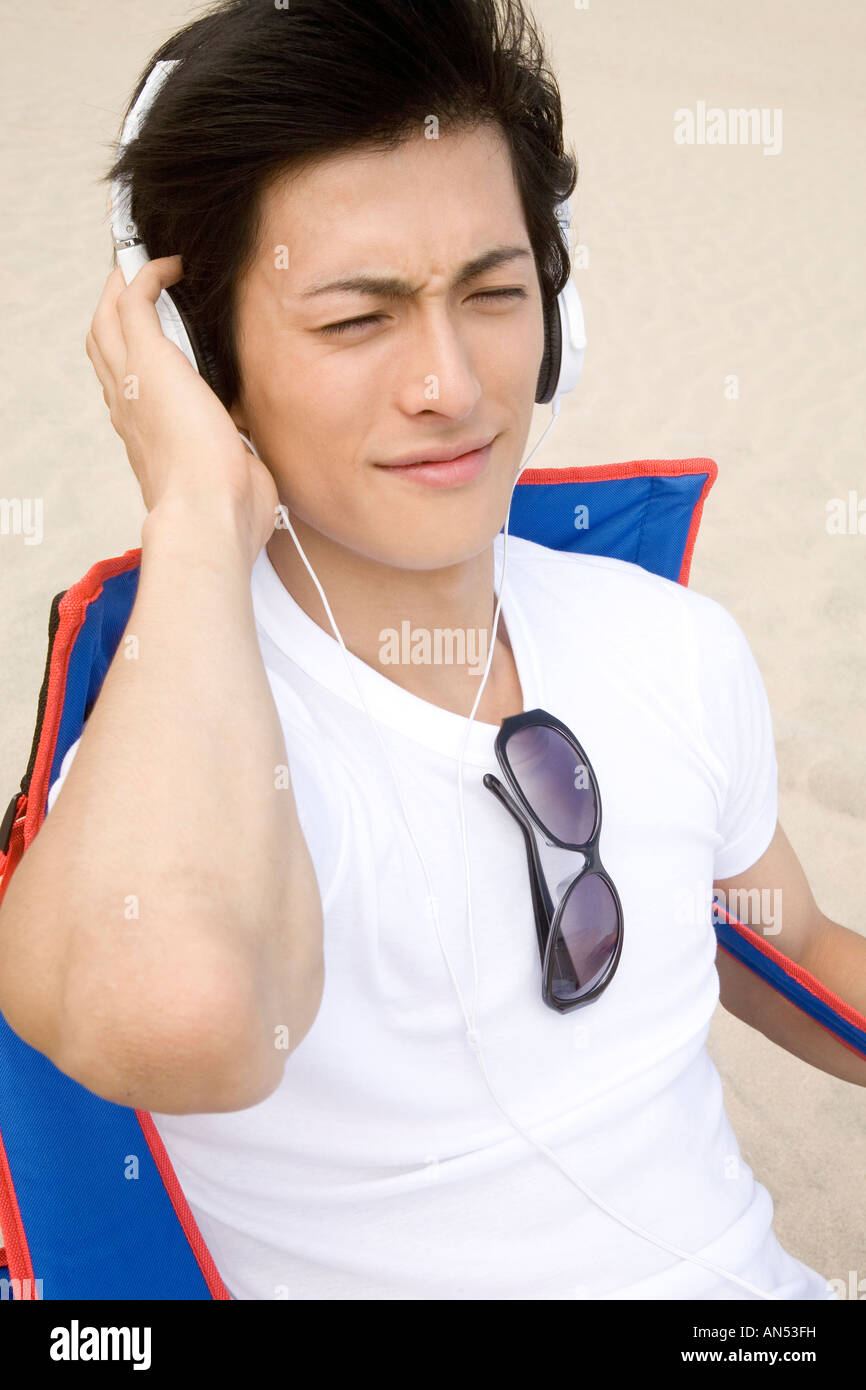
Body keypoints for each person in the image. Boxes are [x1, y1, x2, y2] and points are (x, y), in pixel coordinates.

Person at [0, 0, 861, 1301]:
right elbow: (184, 1012)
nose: (450, 383)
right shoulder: (175, 741)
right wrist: (190, 512)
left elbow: (793, 946)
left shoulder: (674, 645)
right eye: (359, 320)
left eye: (494, 293)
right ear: (200, 359)